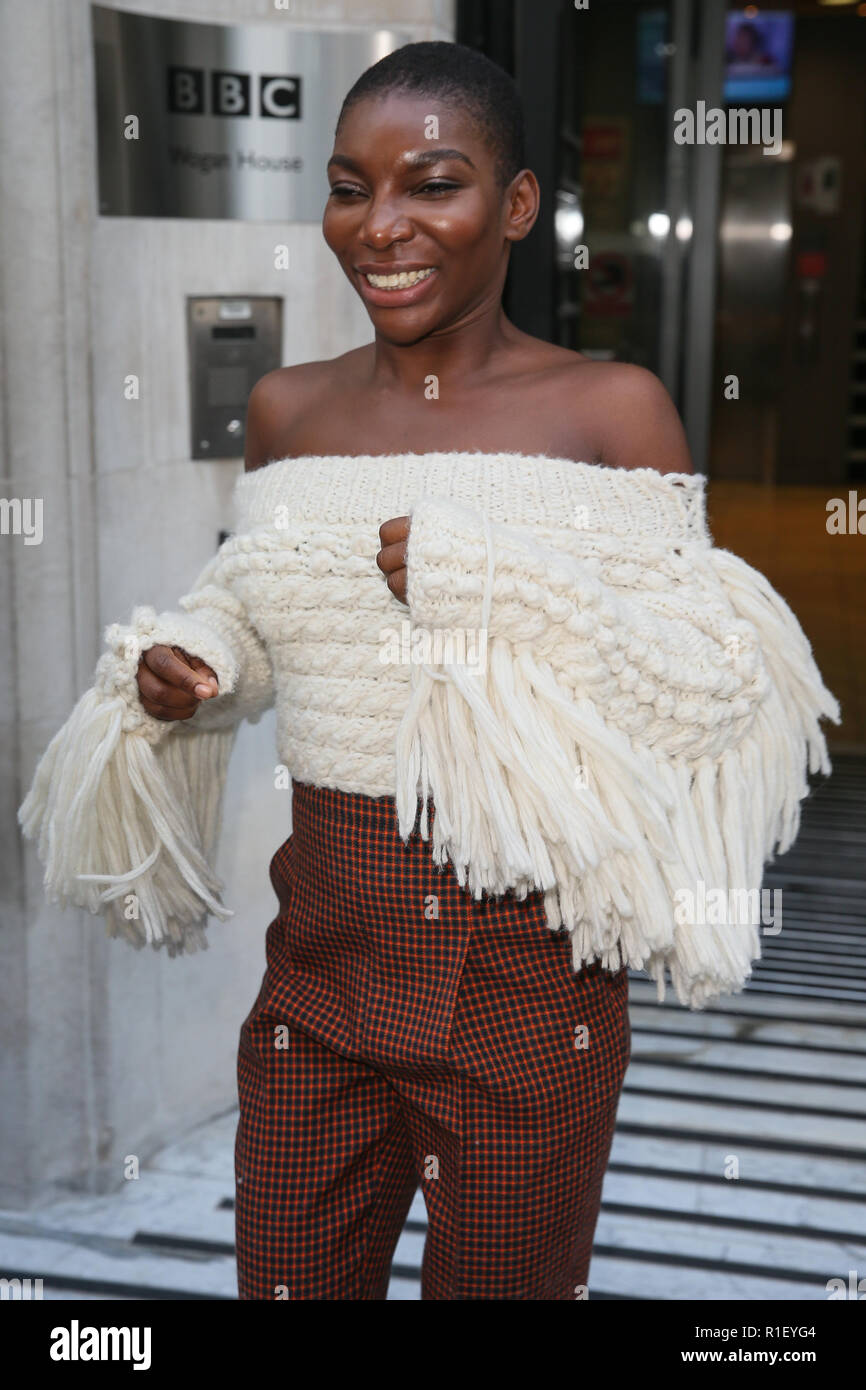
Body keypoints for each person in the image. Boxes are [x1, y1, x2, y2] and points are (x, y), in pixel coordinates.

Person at [18, 41, 839, 1301]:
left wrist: (490, 582)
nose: (379, 225)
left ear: (514, 206)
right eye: (350, 186)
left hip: (528, 977)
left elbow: (705, 677)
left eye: (432, 184)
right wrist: (202, 663)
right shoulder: (292, 406)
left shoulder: (609, 411)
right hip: (323, 962)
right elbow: (254, 598)